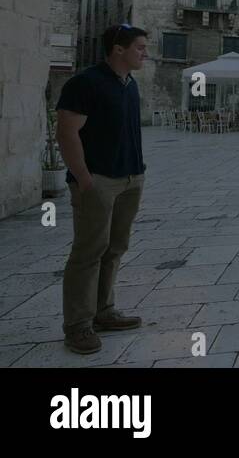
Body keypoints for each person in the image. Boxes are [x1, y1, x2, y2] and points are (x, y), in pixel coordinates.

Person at [55, 24, 148, 354]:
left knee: (115, 247)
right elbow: (67, 132)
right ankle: (78, 325)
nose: (145, 53)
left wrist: (137, 174)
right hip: (98, 181)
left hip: (130, 179)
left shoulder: (129, 84)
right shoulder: (86, 83)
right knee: (88, 252)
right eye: (139, 47)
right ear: (118, 49)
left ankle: (104, 311)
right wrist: (84, 179)